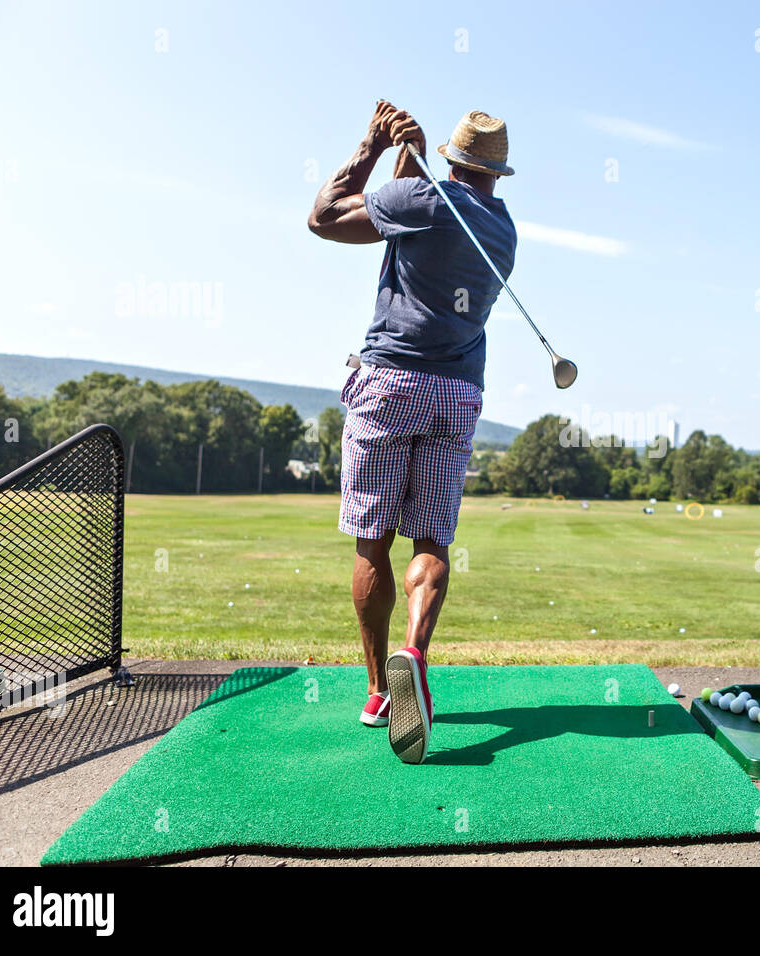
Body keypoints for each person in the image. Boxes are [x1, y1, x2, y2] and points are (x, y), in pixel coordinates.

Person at [307, 102, 517, 763]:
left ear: (453, 162)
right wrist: (412, 159)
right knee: (433, 539)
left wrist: (372, 145)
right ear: (497, 174)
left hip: (391, 382)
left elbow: (325, 217)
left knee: (373, 545)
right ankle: (414, 654)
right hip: (457, 393)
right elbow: (411, 217)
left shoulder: (426, 197)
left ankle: (376, 691)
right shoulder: (503, 227)